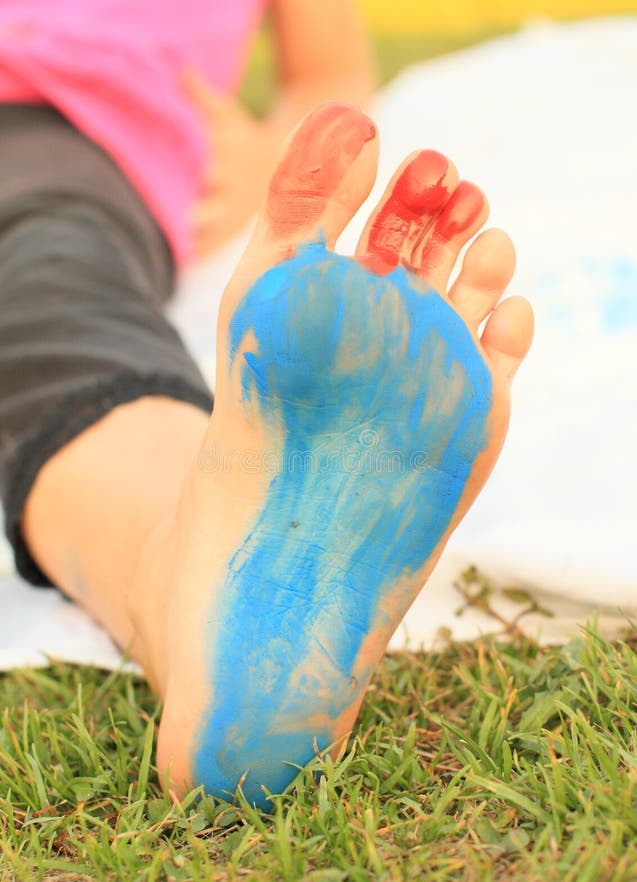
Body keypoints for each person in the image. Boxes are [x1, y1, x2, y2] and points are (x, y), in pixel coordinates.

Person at [0, 2, 533, 809]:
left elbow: (327, 72)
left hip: (59, 136)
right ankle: (171, 583)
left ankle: (175, 585)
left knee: (50, 295)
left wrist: (260, 159)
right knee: (51, 307)